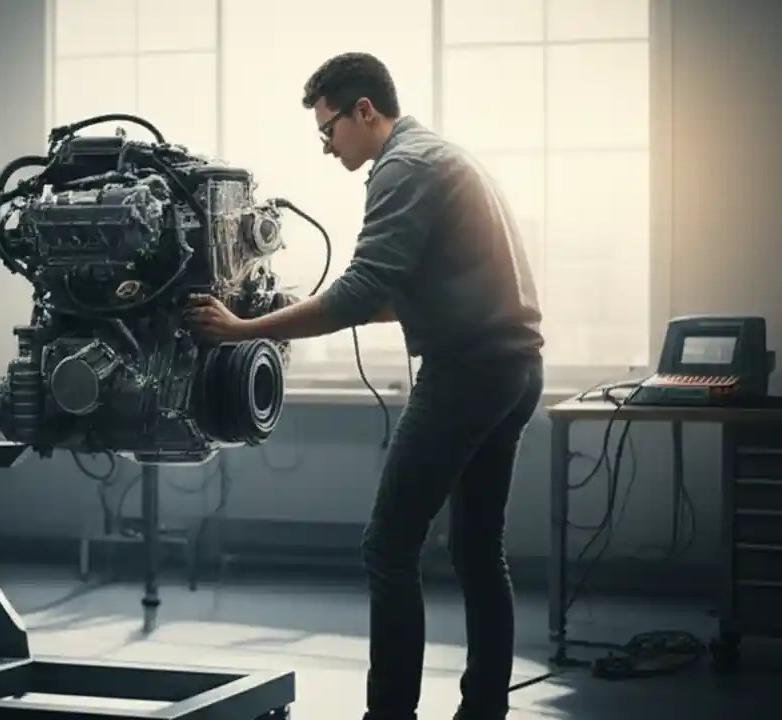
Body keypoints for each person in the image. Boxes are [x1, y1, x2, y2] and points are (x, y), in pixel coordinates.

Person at [184, 52, 545, 720]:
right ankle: (484, 710)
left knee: (388, 545)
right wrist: (285, 306)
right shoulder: (441, 156)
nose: (327, 148)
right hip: (516, 369)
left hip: (467, 373)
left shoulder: (403, 169)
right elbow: (397, 296)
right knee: (476, 548)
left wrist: (241, 329)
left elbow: (358, 295)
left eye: (328, 131)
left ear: (365, 111)